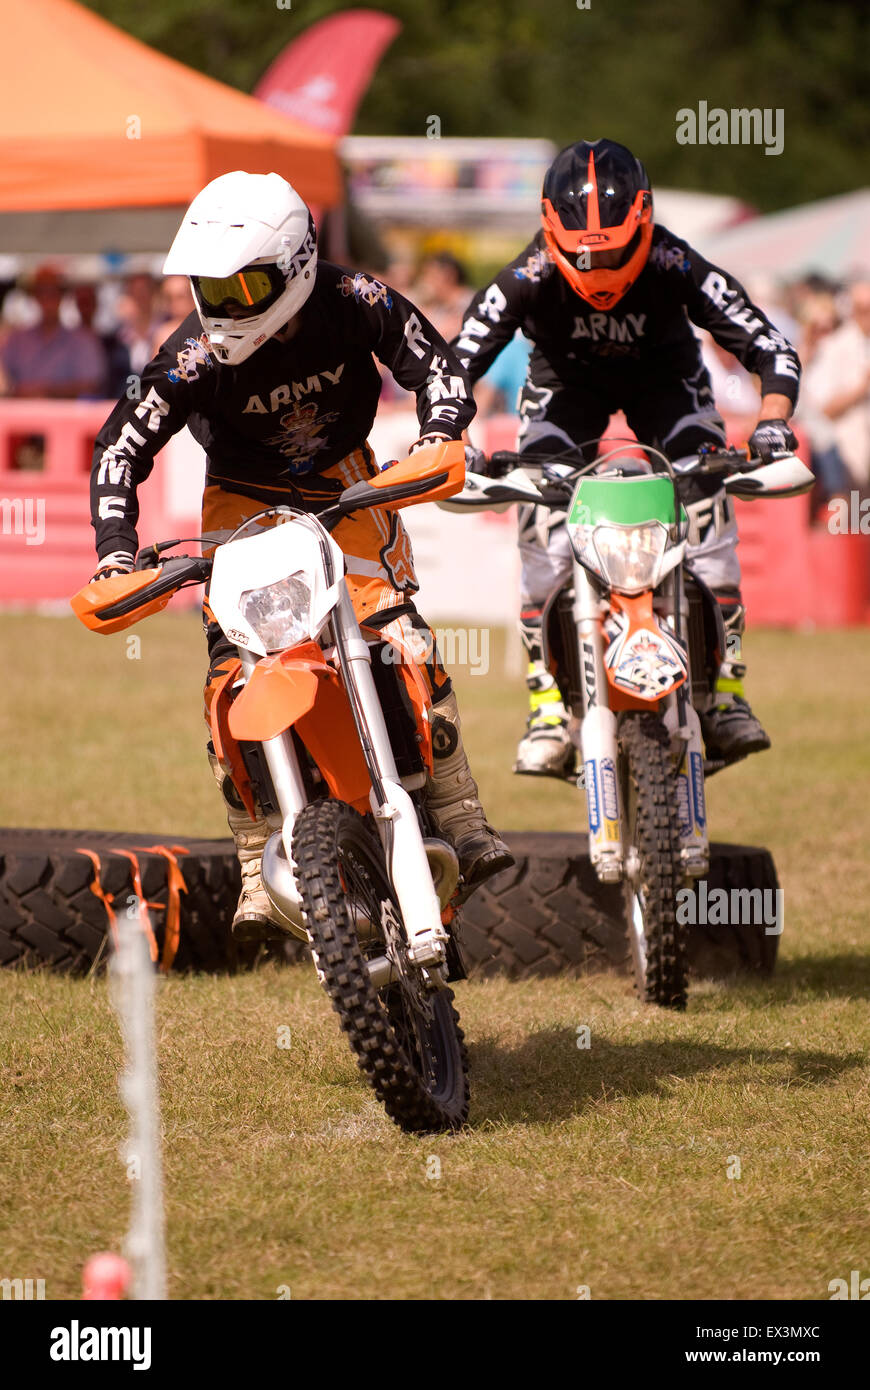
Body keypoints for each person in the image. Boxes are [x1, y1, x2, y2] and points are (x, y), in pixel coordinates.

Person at [87, 171, 512, 936]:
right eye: (207, 287)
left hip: (345, 486)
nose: (221, 307)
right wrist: (118, 555)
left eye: (243, 285)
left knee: (404, 639)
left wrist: (441, 432)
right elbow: (121, 444)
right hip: (240, 504)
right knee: (229, 677)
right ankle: (256, 858)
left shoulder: (357, 301)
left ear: (295, 266)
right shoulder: (190, 358)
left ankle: (460, 809)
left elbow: (438, 367)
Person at [452, 138, 802, 776]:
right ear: (548, 230)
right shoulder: (528, 275)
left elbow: (769, 346)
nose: (598, 266)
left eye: (613, 249)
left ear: (643, 220)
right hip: (566, 391)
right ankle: (547, 707)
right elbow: (454, 367)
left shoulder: (674, 260)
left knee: (709, 503)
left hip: (666, 387)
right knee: (538, 518)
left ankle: (728, 693)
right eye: (583, 253)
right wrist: (452, 438)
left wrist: (773, 424)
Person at [0, 265, 106, 399]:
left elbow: (92, 385)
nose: (47, 299)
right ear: (34, 296)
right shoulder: (16, 339)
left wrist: (47, 392)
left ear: (62, 296)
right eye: (41, 292)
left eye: (53, 293)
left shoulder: (83, 340)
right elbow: (4, 383)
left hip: (68, 417)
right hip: (22, 416)